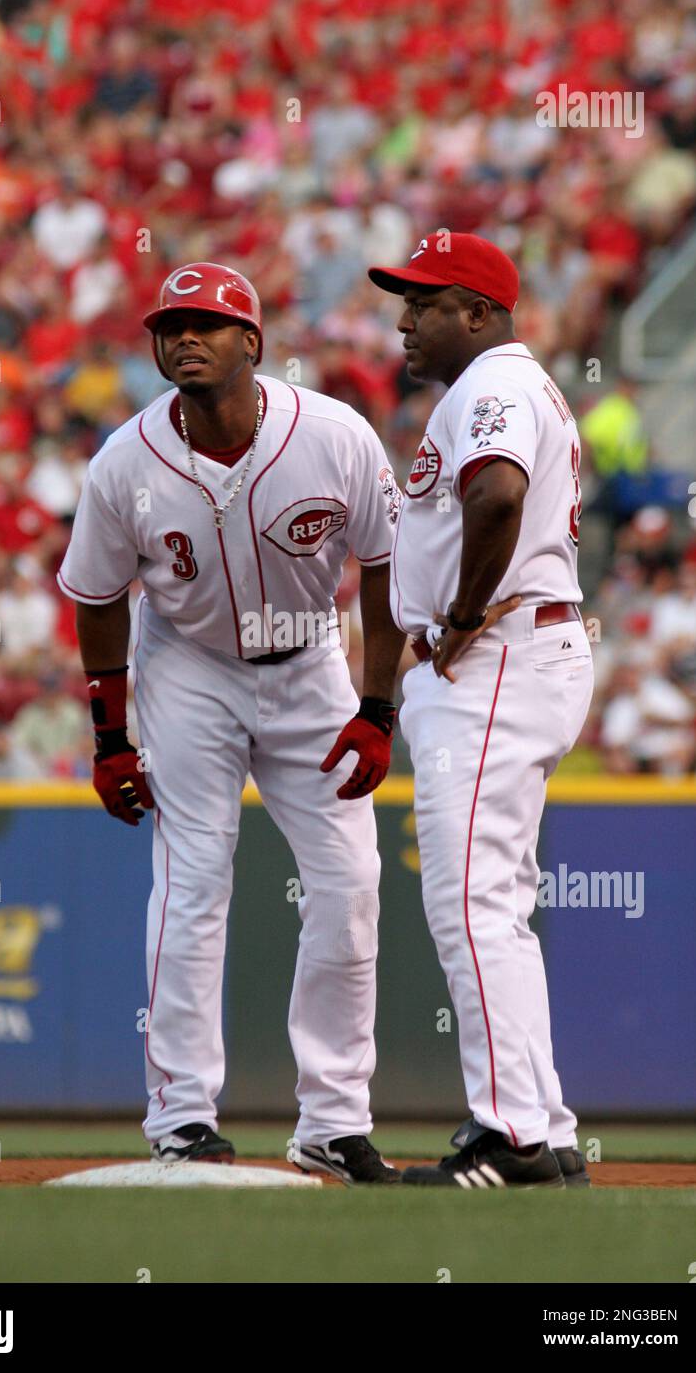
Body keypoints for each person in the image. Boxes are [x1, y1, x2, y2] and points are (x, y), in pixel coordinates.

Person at [58, 263, 405, 1184]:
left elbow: (382, 569)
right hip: (188, 668)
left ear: (252, 343)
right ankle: (181, 1116)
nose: (184, 338)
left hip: (310, 668)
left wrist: (378, 707)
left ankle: (333, 1121)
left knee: (351, 883)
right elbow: (94, 598)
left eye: (206, 323)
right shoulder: (124, 460)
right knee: (192, 880)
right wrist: (109, 734)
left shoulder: (332, 434)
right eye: (169, 326)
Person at [369, 232, 594, 1189]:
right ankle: (544, 1123)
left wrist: (459, 618)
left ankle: (511, 1135)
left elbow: (496, 496)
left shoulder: (492, 384)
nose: (404, 320)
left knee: (470, 903)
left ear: (481, 313)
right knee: (495, 904)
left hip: (496, 650)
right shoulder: (498, 385)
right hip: (517, 649)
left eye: (424, 302)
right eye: (404, 301)